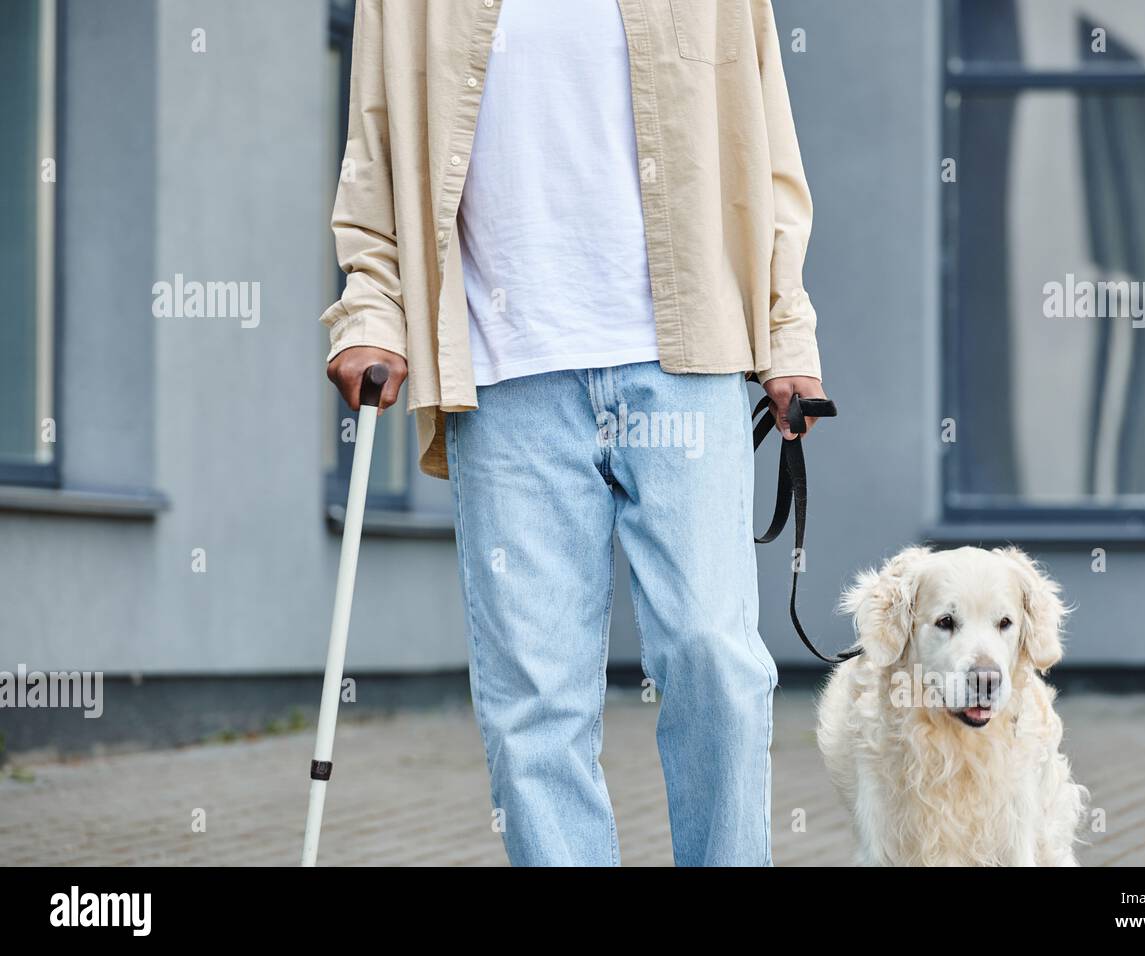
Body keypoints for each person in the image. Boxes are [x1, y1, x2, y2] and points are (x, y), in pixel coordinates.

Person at [322, 0, 826, 867]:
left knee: (715, 659)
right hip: (505, 372)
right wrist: (368, 314)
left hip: (686, 358)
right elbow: (374, 162)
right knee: (534, 705)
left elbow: (767, 149)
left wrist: (787, 335)